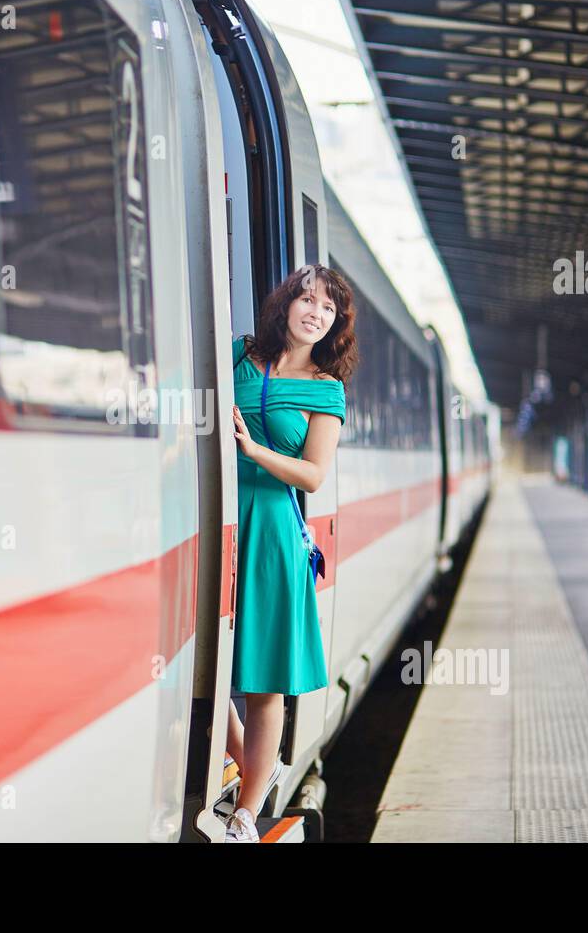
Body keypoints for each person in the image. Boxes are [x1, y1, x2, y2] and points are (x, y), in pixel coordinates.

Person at [223, 264, 358, 843]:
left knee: (263, 679)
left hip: (273, 530)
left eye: (328, 309)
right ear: (287, 304)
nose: (315, 312)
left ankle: (247, 815)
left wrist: (252, 449)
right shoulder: (237, 356)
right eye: (307, 299)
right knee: (203, 662)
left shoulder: (327, 389)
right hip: (220, 519)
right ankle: (256, 761)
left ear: (334, 325)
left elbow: (311, 475)